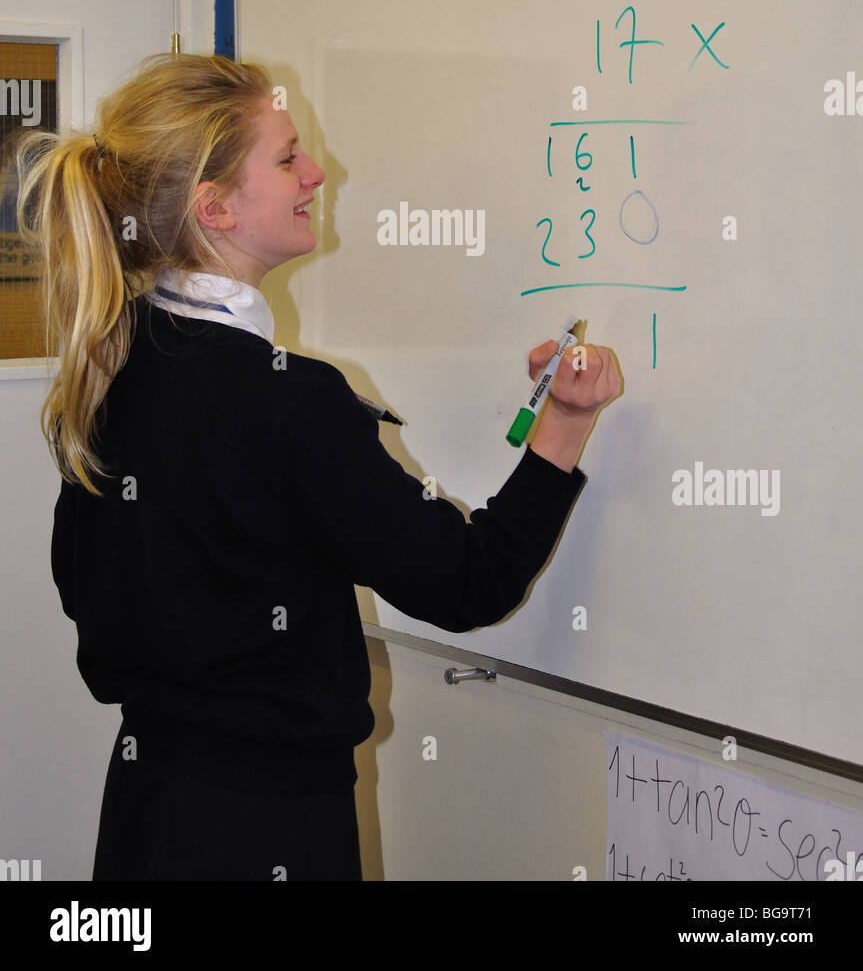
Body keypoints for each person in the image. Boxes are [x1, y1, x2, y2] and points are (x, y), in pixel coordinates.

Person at [16, 52, 623, 882]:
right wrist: (563, 421)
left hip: (144, 820)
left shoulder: (110, 370)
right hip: (267, 835)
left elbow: (84, 587)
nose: (316, 171)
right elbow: (465, 582)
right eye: (286, 156)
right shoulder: (286, 401)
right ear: (216, 208)